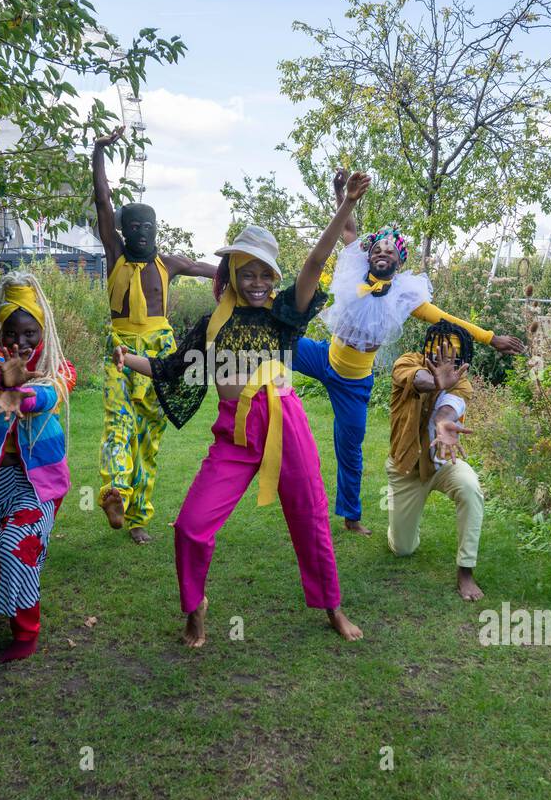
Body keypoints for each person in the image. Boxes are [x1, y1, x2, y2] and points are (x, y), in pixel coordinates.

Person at [114, 173, 375, 647]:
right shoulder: (212, 324)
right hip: (234, 434)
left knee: (311, 515)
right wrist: (126, 359)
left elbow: (316, 262)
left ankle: (331, 605)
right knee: (192, 527)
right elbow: (171, 368)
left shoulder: (283, 314)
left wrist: (344, 206)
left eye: (265, 274)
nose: (257, 282)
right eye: (248, 272)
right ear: (231, 274)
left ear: (274, 278)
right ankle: (195, 607)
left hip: (285, 423)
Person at [292, 168, 524, 536]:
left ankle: (351, 516)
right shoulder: (354, 269)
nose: (383, 254)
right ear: (371, 256)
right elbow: (349, 232)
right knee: (274, 341)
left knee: (350, 447)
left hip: (354, 381)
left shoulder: (405, 295)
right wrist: (342, 195)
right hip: (323, 356)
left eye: (391, 252)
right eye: (378, 249)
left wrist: (490, 337)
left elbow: (448, 318)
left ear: (398, 262)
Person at [92, 126, 217, 544]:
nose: (141, 232)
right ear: (124, 231)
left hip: (161, 349)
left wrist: (252, 277)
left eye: (148, 226)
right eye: (134, 226)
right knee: (118, 421)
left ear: (157, 229)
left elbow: (213, 270)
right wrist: (98, 153)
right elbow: (103, 202)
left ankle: (139, 518)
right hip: (122, 347)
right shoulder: (114, 255)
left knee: (150, 435)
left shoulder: (169, 264)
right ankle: (114, 493)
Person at [0, 272, 77, 662]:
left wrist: (21, 397)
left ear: (42, 328)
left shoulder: (59, 365)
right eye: (12, 332)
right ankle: (3, 595)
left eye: (30, 332)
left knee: (19, 546)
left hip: (40, 481)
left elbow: (51, 392)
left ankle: (26, 633)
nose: (20, 341)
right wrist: (6, 375)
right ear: (0, 329)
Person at [386, 320, 485, 602]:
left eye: (453, 353)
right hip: (406, 468)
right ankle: (402, 528)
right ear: (428, 348)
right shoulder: (407, 362)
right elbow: (416, 380)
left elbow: (447, 411)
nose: (446, 357)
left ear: (463, 356)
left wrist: (443, 425)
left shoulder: (462, 383)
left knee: (470, 487)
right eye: (440, 350)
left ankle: (465, 570)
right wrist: (436, 382)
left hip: (442, 464)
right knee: (402, 548)